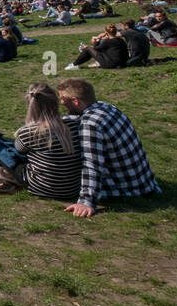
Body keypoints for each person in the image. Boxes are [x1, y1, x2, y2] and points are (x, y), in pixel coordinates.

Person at [59, 79, 161, 218]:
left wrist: (86, 201)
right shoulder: (105, 107)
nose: (61, 103)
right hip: (143, 181)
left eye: (63, 99)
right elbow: (77, 117)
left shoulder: (90, 125)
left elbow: (92, 163)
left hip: (124, 188)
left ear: (76, 101)